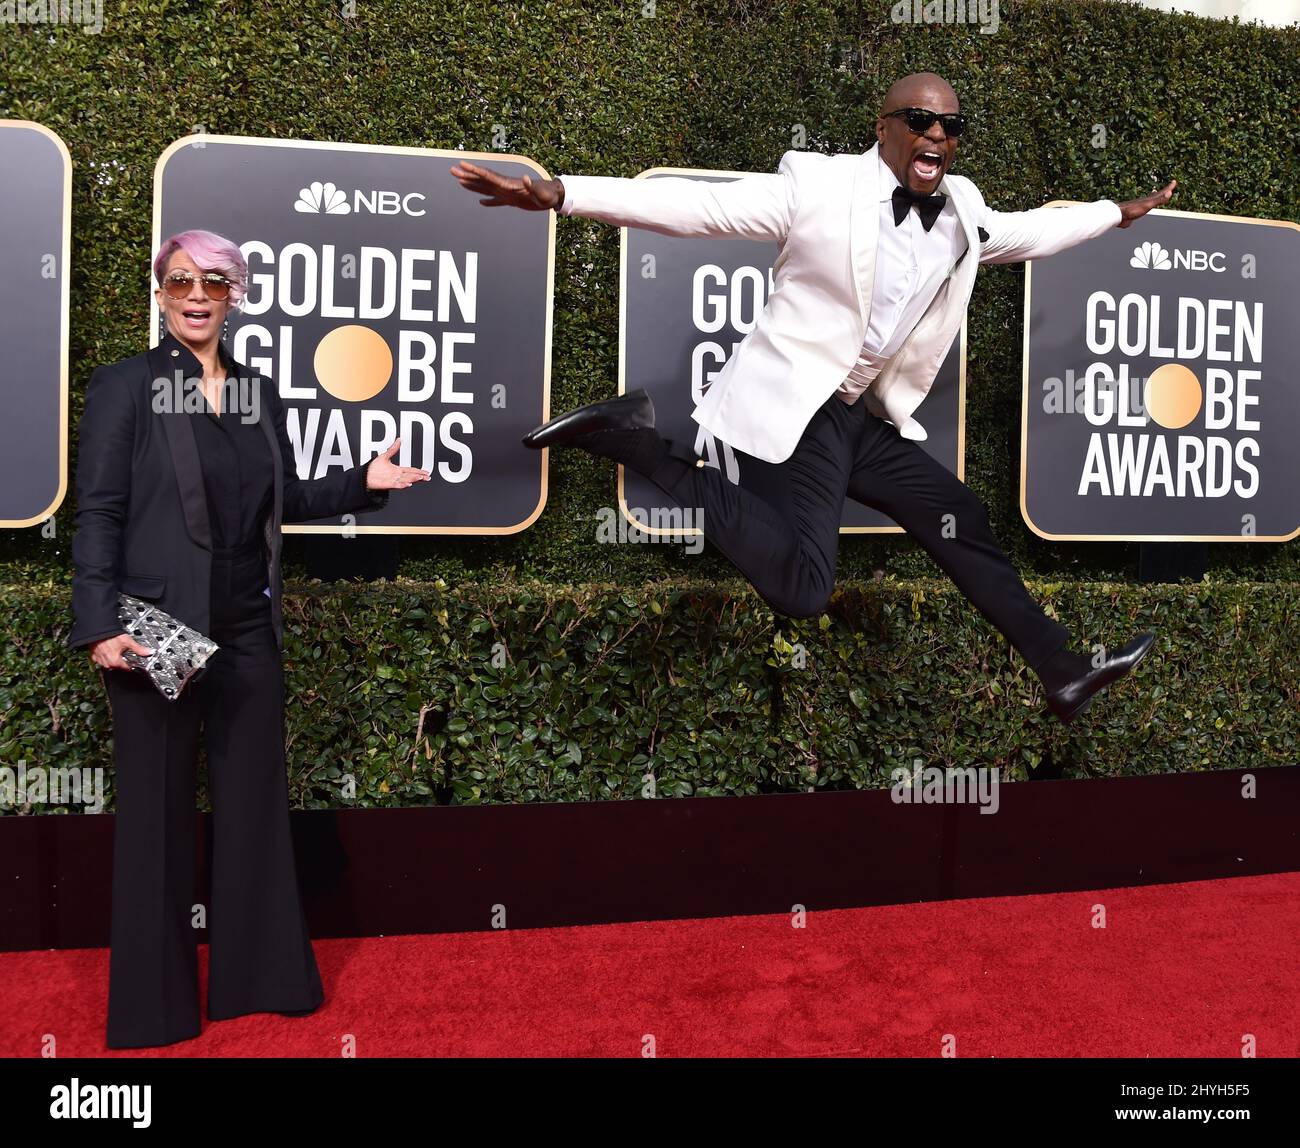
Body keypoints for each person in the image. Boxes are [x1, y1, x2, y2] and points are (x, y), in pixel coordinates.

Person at [450, 71, 1168, 723]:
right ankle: (642, 445)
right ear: (883, 126)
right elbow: (697, 209)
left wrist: (1116, 211)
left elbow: (1032, 233)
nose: (938, 136)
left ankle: (1063, 669)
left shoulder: (962, 210)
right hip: (796, 407)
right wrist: (566, 194)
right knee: (801, 590)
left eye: (952, 126)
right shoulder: (815, 186)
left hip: (855, 413)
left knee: (956, 513)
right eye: (920, 119)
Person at [67, 229, 431, 1049]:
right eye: (182, 280)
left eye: (216, 283)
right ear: (160, 293)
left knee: (255, 807)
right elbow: (98, 512)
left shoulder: (255, 393)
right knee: (156, 816)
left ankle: (258, 980)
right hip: (158, 627)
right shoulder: (127, 387)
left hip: (245, 625)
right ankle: (154, 1012)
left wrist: (359, 485)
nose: (198, 295)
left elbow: (279, 498)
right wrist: (98, 624)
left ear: (236, 297)